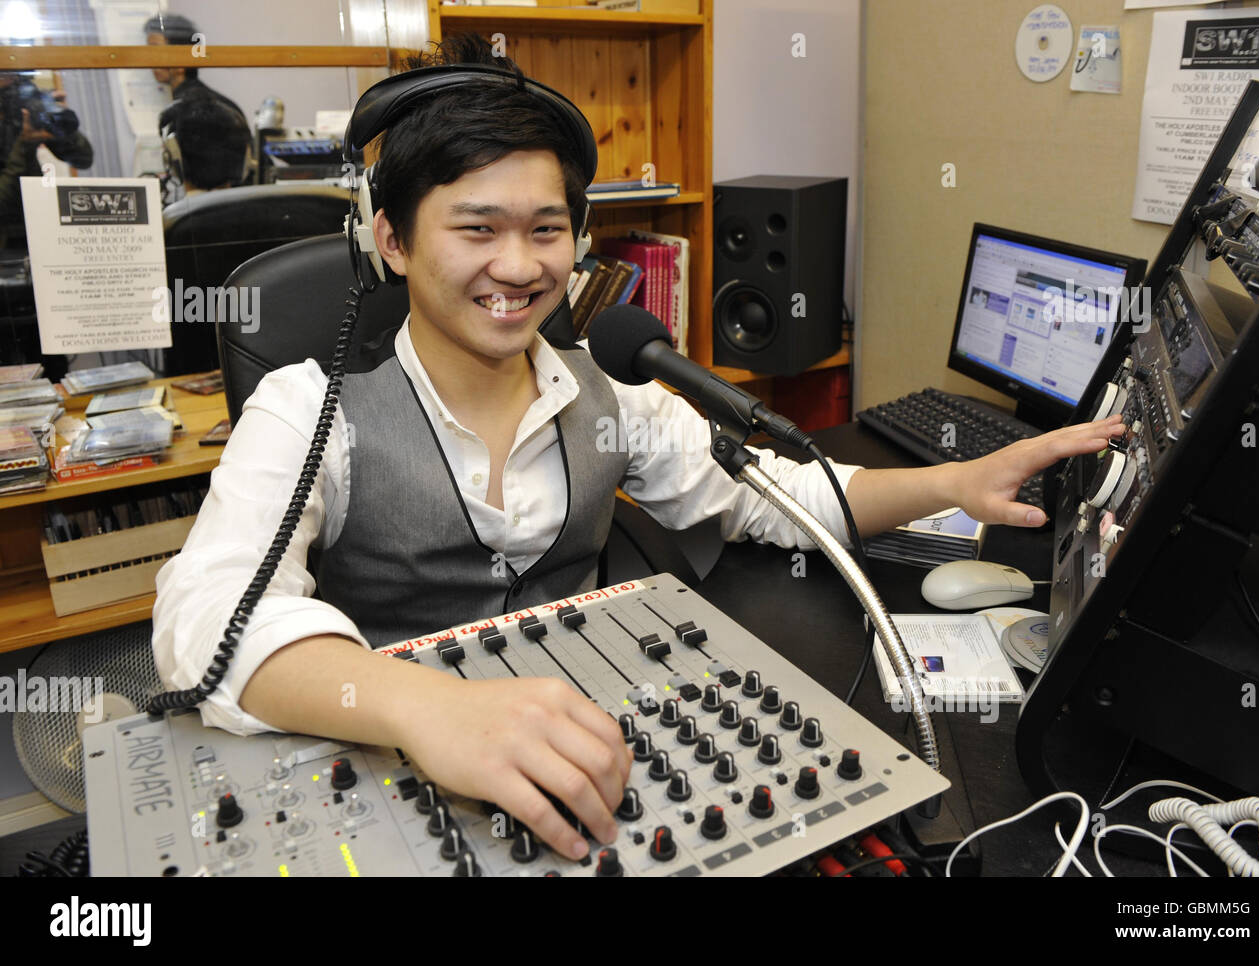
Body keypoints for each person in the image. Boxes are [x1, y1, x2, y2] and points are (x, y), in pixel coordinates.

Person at [152, 35, 1125, 863]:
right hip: (390, 761)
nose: (518, 265)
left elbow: (776, 498)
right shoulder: (305, 407)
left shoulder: (611, 396)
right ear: (392, 242)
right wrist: (419, 707)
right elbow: (203, 621)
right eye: (475, 229)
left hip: (592, 757)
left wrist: (957, 479)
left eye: (546, 230)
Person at [0, 71, 94, 251]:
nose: (9, 81)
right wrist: (24, 145)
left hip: (35, 223)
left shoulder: (23, 106)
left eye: (13, 76)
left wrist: (61, 129)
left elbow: (83, 159)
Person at [143, 13, 248, 128]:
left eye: (157, 52)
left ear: (180, 57)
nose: (151, 61)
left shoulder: (192, 107)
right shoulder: (202, 101)